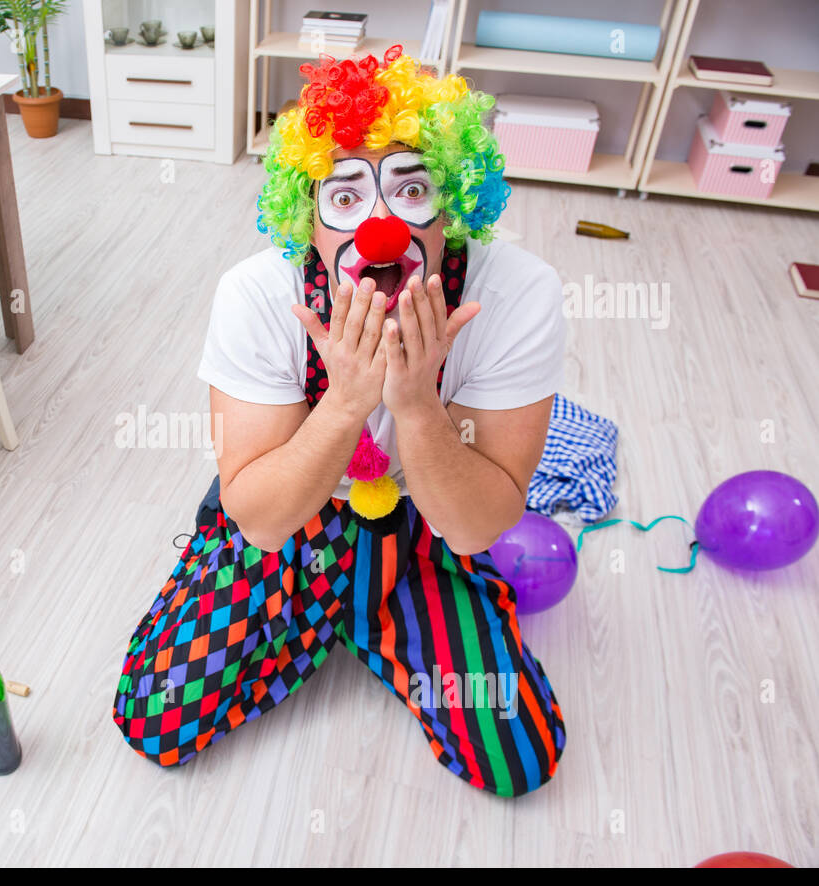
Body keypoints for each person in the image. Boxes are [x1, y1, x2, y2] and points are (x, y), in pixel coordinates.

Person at [112, 48, 566, 797]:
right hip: (295, 508)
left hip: (426, 521)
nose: (381, 229)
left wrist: (417, 405)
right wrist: (347, 401)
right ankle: (331, 619)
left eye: (412, 190)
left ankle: (372, 616)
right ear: (307, 220)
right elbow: (258, 514)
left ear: (453, 209)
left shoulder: (518, 293)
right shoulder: (257, 294)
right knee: (154, 718)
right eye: (347, 199)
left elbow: (479, 524)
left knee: (519, 754)